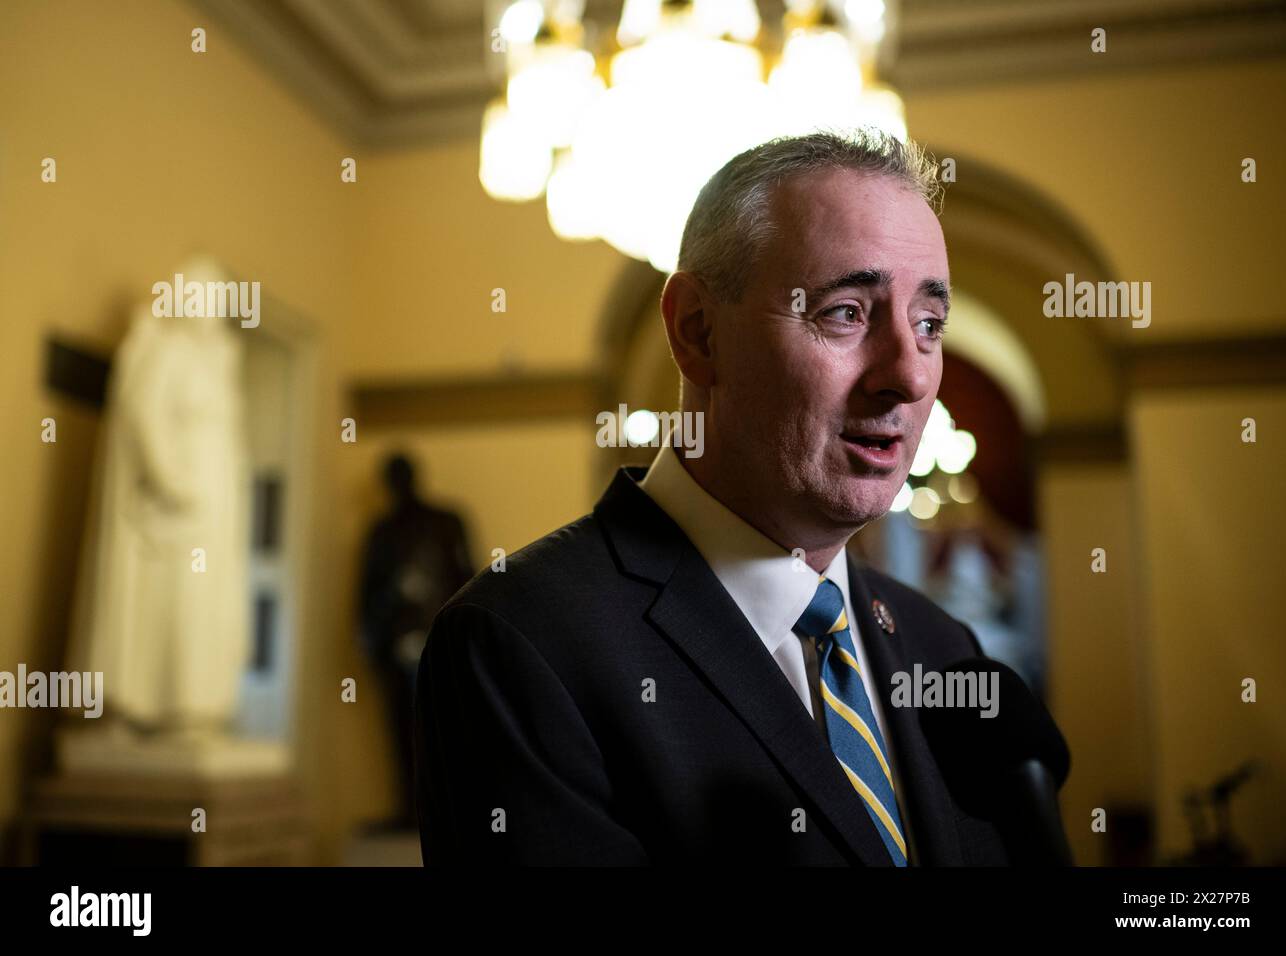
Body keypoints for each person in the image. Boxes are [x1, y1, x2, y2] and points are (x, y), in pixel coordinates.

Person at [416, 129, 1063, 864]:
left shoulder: (944, 649)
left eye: (929, 325)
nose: (910, 377)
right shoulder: (519, 644)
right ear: (696, 331)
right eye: (846, 312)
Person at [360, 454, 474, 829]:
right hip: (397, 648)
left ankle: (451, 810)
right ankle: (412, 812)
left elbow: (468, 578)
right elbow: (368, 593)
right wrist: (375, 643)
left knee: (447, 730)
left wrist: (465, 639)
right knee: (402, 733)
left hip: (440, 644)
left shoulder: (446, 522)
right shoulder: (381, 531)